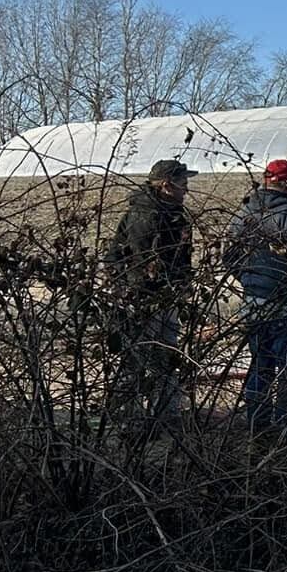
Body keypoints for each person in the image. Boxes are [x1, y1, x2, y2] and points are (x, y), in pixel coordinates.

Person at [225, 158, 287, 439]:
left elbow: (229, 256)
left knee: (260, 365)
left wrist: (251, 282)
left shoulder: (245, 213)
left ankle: (257, 428)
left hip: (253, 304)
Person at [103, 158, 197, 435]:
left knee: (165, 357)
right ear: (167, 185)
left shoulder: (174, 214)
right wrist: (140, 293)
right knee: (139, 358)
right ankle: (129, 417)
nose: (187, 189)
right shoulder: (147, 216)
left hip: (166, 298)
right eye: (183, 183)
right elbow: (139, 263)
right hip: (146, 300)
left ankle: (165, 415)